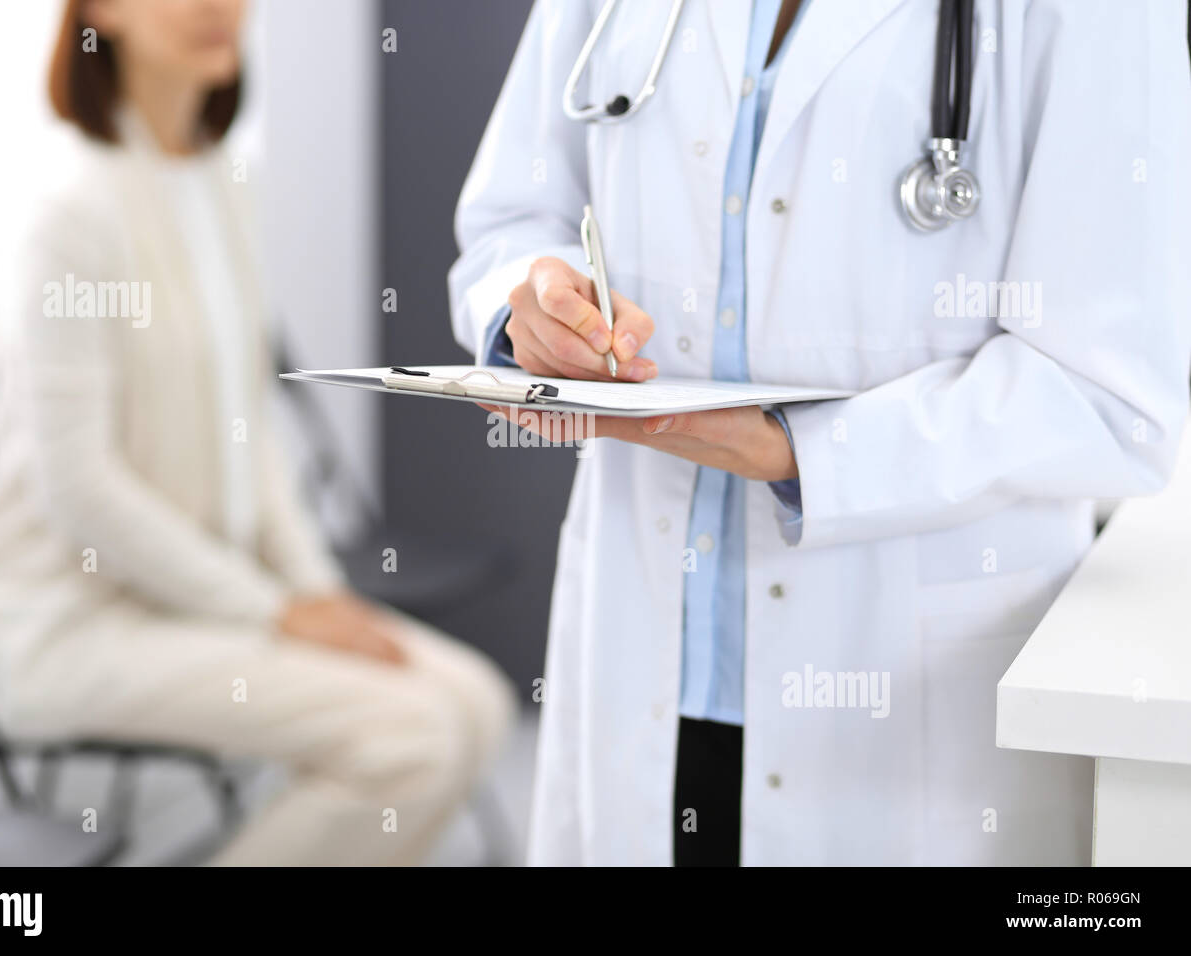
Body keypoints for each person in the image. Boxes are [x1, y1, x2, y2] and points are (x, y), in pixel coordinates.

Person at [449, 0, 1191, 865]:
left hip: (899, 705)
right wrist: (533, 310)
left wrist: (800, 452)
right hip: (644, 653)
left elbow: (1110, 393)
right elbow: (513, 218)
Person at [0, 0, 515, 865]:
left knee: (476, 702)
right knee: (415, 738)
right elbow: (83, 493)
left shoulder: (223, 187)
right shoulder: (69, 214)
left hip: (201, 593)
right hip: (73, 620)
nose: (217, 8)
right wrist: (277, 611)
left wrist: (316, 589)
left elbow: (253, 434)